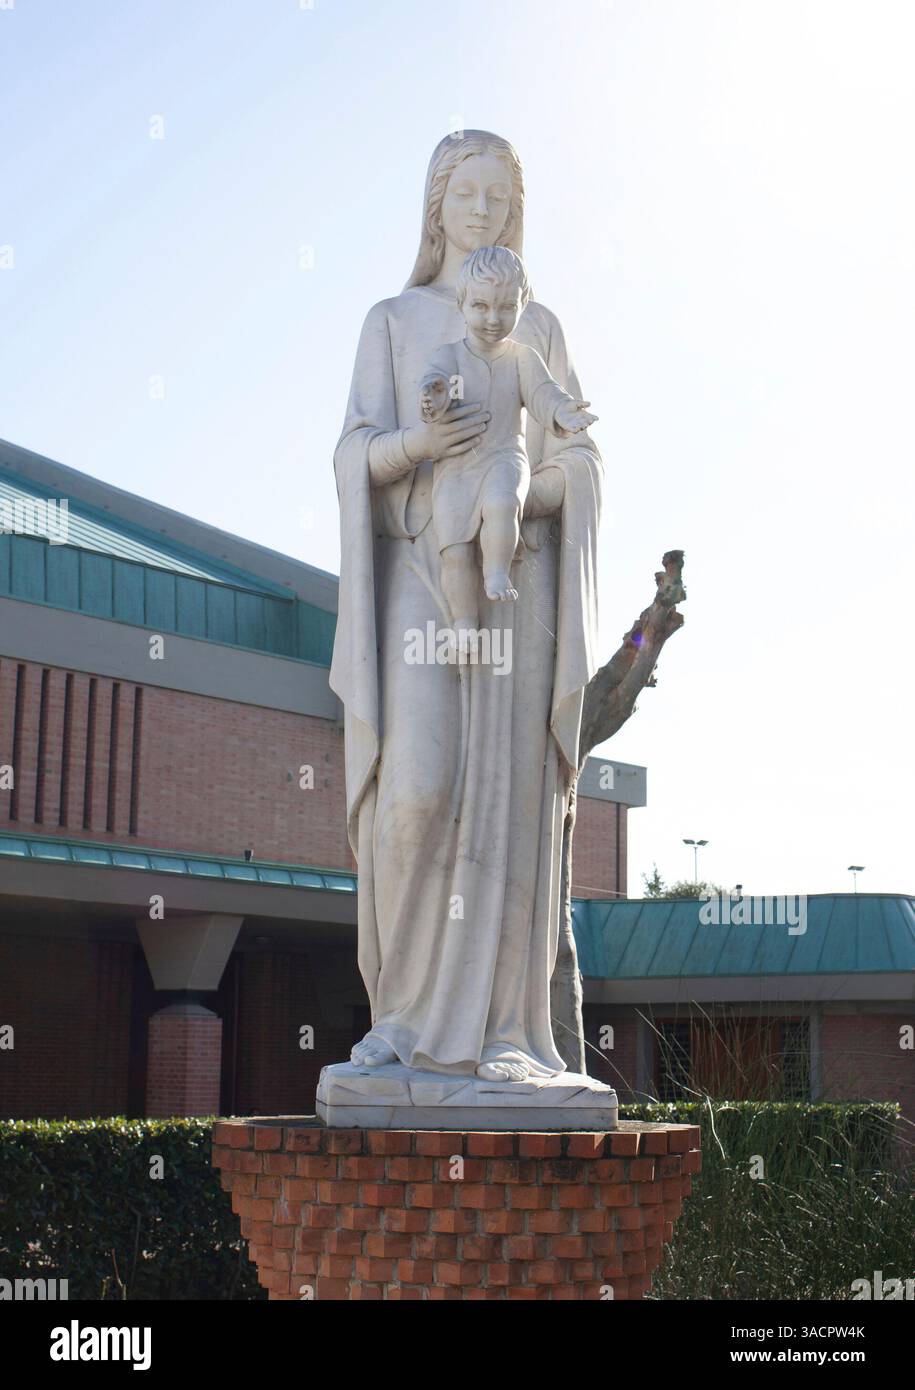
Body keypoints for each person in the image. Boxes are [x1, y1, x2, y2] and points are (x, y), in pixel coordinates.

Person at [330, 131, 603, 1083]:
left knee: (510, 802)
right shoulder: (393, 320)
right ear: (436, 202)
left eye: (500, 195)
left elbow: (579, 459)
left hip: (512, 582)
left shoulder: (538, 326)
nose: (482, 209)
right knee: (418, 789)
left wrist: (513, 492)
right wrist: (422, 445)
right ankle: (401, 1019)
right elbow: (353, 456)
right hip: (415, 568)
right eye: (467, 192)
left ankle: (505, 1035)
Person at [419, 245, 597, 652]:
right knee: (454, 551)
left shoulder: (522, 358)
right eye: (480, 306)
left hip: (504, 455)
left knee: (503, 501)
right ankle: (464, 620)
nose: (492, 319)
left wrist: (563, 413)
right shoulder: (449, 356)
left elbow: (543, 393)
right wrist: (432, 400)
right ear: (462, 303)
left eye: (505, 307)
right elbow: (435, 388)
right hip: (457, 468)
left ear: (523, 303)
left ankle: (497, 572)